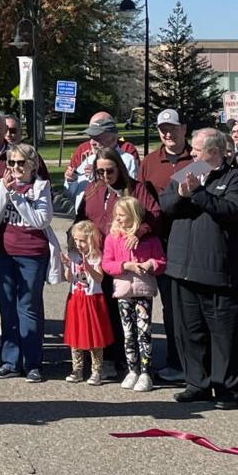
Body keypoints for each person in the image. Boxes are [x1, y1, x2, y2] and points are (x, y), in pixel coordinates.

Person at [159, 127, 238, 409]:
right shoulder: (188, 171)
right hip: (182, 269)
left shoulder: (234, 178)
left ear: (213, 151)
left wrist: (199, 194)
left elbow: (234, 212)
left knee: (225, 335)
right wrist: (181, 194)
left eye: (197, 150)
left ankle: (227, 389)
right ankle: (196, 383)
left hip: (218, 272)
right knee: (190, 331)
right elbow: (165, 205)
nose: (192, 153)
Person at [77, 145, 151, 379]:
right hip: (97, 258)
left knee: (124, 313)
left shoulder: (135, 189)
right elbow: (80, 218)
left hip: (124, 260)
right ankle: (103, 358)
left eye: (110, 170)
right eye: (100, 171)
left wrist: (138, 232)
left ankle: (127, 360)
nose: (105, 176)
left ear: (119, 168)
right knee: (100, 310)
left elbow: (154, 217)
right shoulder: (92, 189)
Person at [0, 143, 55, 381]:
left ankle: (32, 363)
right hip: (3, 253)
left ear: (32, 165)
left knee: (28, 307)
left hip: (31, 254)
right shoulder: (1, 185)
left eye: (20, 162)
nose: (15, 167)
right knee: (7, 308)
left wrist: (17, 197)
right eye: (11, 162)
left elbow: (41, 220)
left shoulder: (41, 187)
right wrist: (4, 193)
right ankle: (10, 361)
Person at [139, 108, 193, 382]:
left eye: (172, 128)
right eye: (163, 129)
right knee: (170, 307)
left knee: (190, 307)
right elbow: (140, 201)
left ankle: (193, 363)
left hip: (192, 241)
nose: (167, 133)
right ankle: (174, 361)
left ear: (184, 129)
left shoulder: (196, 159)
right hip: (160, 243)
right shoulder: (149, 162)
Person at [102, 194, 165, 391]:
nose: (118, 218)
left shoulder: (150, 239)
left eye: (122, 215)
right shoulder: (112, 238)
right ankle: (132, 370)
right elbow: (107, 264)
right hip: (123, 292)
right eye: (117, 215)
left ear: (134, 215)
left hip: (143, 291)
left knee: (144, 332)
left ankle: (146, 372)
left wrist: (150, 264)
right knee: (128, 332)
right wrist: (125, 265)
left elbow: (162, 262)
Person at [62, 220, 113, 385]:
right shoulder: (73, 255)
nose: (78, 244)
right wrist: (68, 266)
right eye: (76, 240)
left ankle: (96, 371)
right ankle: (77, 369)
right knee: (75, 335)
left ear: (91, 240)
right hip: (76, 298)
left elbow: (99, 278)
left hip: (92, 299)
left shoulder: (97, 256)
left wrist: (89, 267)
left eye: (82, 241)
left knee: (94, 337)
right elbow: (69, 278)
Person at [63, 112, 140, 199]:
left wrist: (99, 176)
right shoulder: (89, 159)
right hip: (85, 207)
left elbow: (129, 194)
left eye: (97, 138)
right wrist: (72, 180)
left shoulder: (127, 160)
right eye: (91, 137)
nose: (92, 143)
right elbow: (70, 195)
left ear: (113, 138)